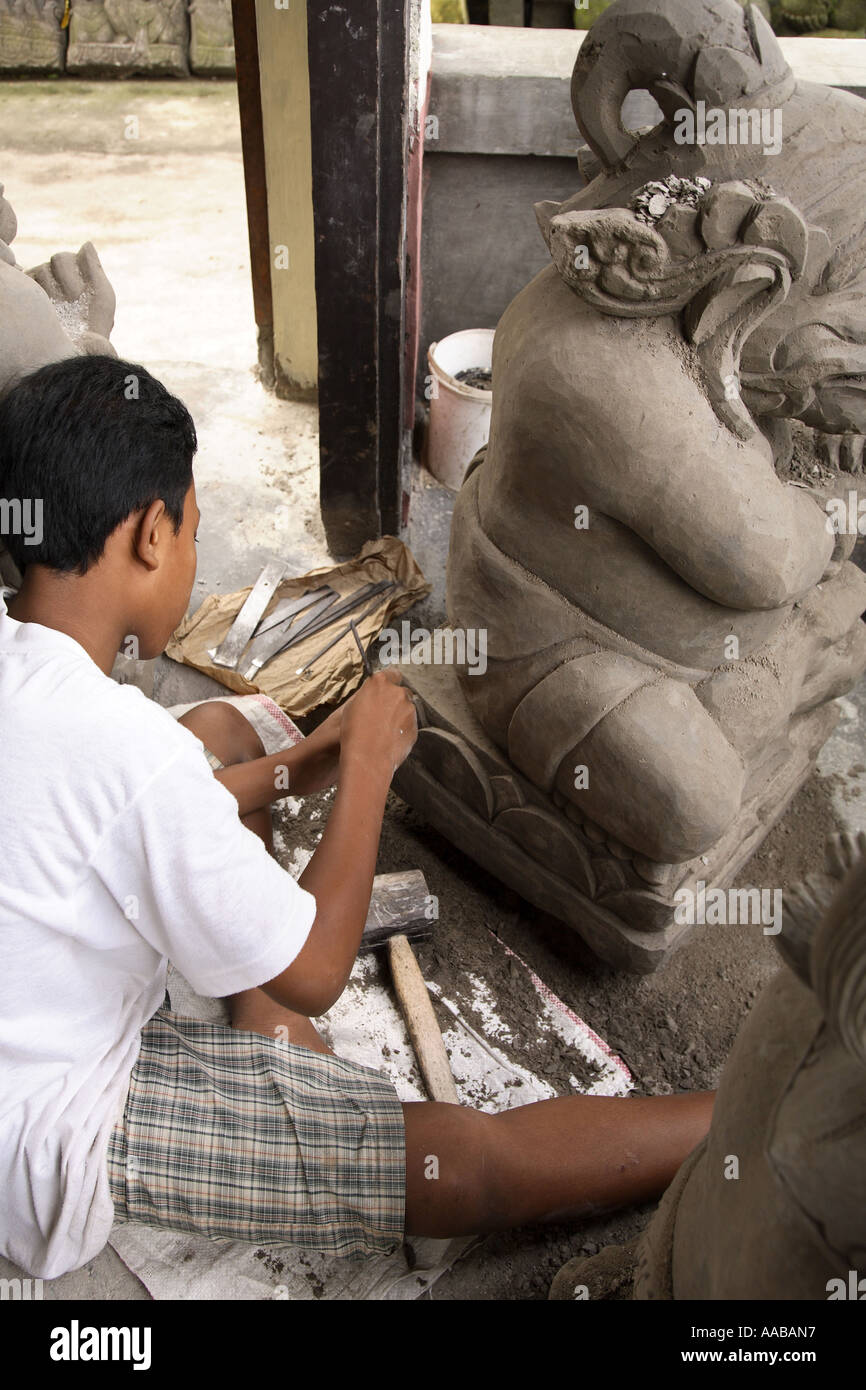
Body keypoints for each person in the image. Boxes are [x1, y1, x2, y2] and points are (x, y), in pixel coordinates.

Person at [0, 355, 714, 1282]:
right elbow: (315, 974)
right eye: (192, 540)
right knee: (455, 1161)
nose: (194, 563)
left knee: (218, 732)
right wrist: (369, 769)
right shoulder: (131, 750)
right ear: (148, 534)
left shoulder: (45, 686)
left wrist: (300, 766)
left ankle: (261, 1032)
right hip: (40, 1141)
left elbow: (119, 805)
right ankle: (735, 1113)